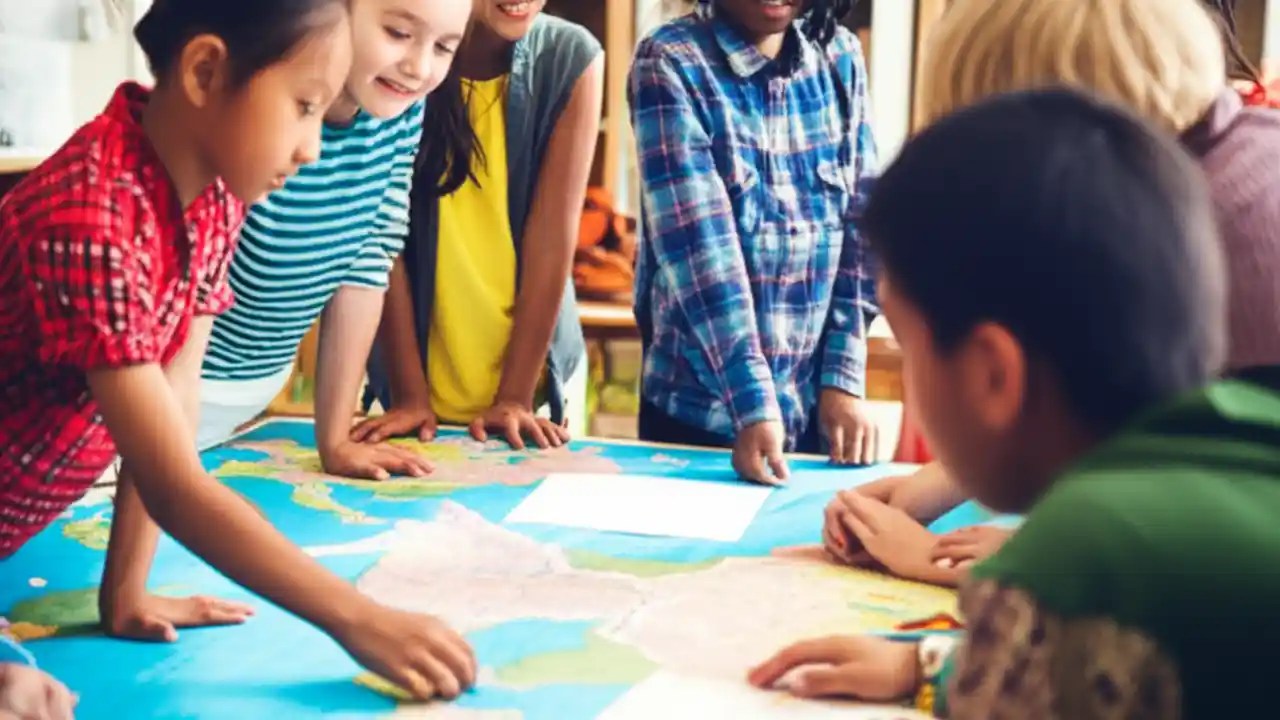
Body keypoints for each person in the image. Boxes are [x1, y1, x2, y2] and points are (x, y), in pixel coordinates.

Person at [753, 87, 1279, 718]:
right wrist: (928, 667)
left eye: (907, 341)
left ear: (992, 375)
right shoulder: (1243, 428)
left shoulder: (1077, 556)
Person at [0, 0, 473, 700]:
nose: (313, 147)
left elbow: (173, 407)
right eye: (304, 106)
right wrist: (359, 619)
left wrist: (125, 594)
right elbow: (174, 486)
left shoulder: (212, 195)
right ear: (205, 71)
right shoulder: (92, 216)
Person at [823, 0, 1280, 582]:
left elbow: (1202, 544)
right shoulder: (1199, 169)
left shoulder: (1225, 228)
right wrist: (938, 484)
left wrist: (1009, 568)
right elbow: (1106, 411)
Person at [628, 0, 880, 484]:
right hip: (699, 417)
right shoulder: (669, 60)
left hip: (812, 411)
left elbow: (863, 228)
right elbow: (702, 254)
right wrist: (752, 402)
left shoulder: (841, 55)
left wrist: (842, 380)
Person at [357, 0, 604, 452]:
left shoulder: (570, 56)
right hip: (408, 388)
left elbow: (552, 238)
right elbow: (379, 233)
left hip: (532, 395)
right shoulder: (406, 53)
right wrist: (410, 393)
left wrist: (514, 397)